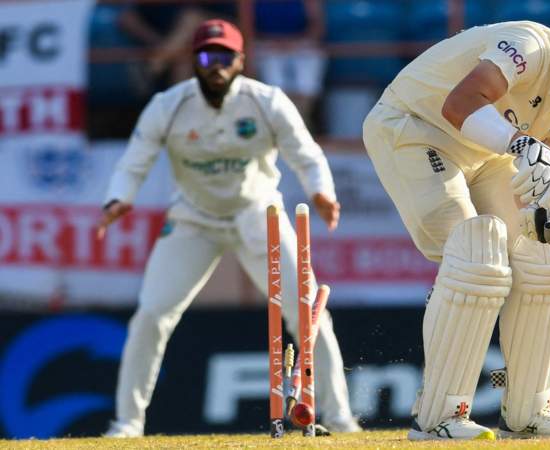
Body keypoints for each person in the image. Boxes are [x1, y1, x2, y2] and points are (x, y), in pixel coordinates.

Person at [362, 16, 550, 440]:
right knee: (476, 254)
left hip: (486, 155)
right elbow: (460, 104)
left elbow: (536, 182)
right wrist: (521, 144)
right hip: (416, 128)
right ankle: (436, 417)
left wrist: (547, 201)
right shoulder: (530, 47)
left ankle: (527, 413)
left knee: (543, 259)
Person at [98, 19, 361, 437]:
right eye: (206, 57)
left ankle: (341, 418)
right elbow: (135, 160)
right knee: (151, 315)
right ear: (194, 60)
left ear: (240, 60)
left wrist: (321, 192)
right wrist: (118, 199)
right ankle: (128, 423)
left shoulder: (266, 101)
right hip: (194, 219)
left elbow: (306, 154)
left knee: (309, 314)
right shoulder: (168, 105)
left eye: (224, 57)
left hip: (260, 216)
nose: (215, 66)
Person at [253, 0, 326, 127]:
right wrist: (275, 42)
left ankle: (299, 124)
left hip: (301, 43)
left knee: (307, 80)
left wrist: (293, 43)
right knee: (275, 83)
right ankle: (283, 127)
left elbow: (317, 27)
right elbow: (249, 30)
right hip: (266, 44)